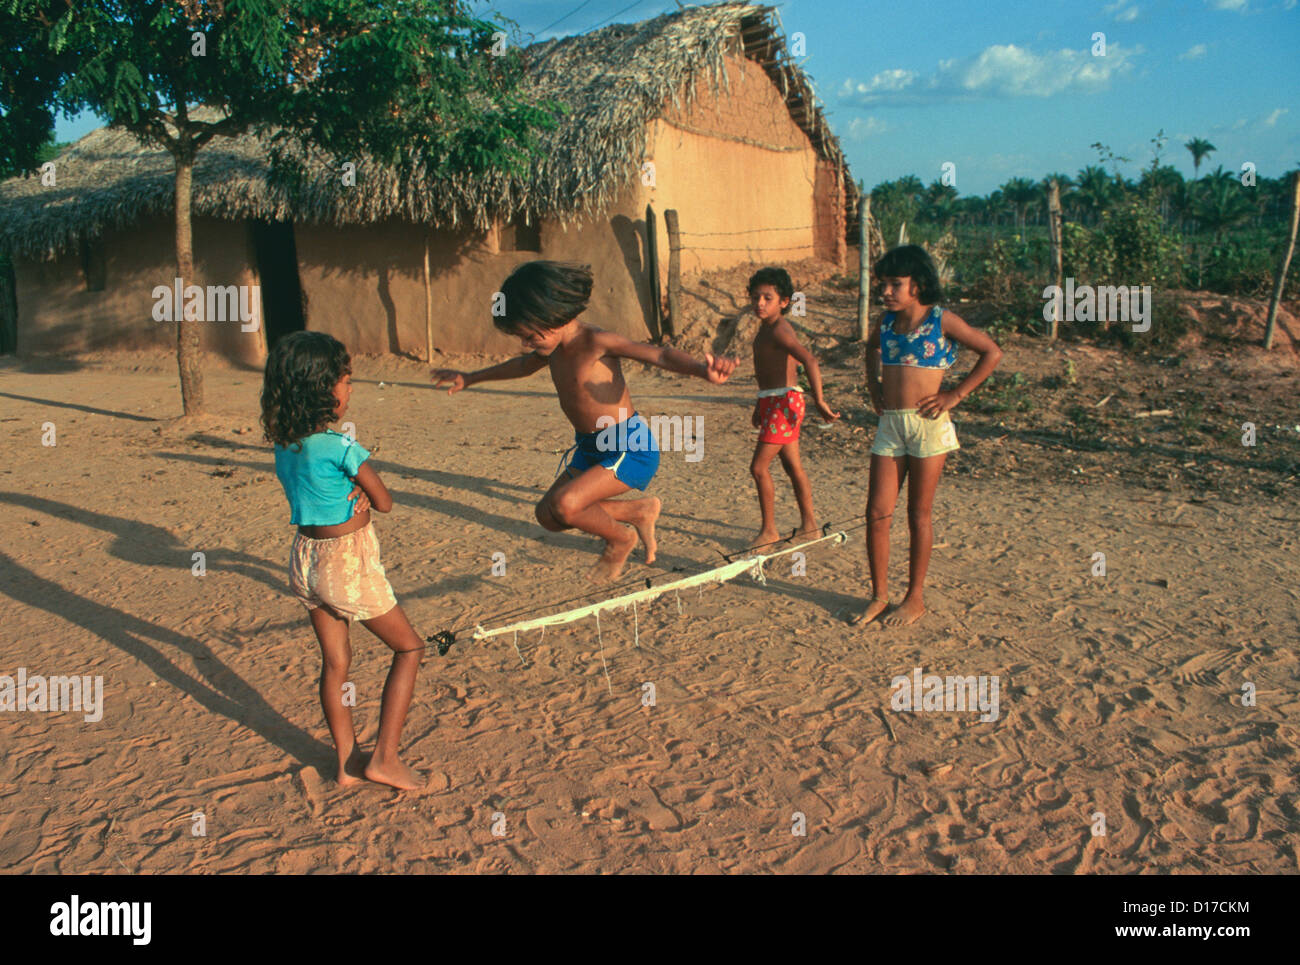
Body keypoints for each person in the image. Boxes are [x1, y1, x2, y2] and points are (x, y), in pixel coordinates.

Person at [433, 260, 737, 583]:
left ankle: (621, 539)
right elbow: (521, 366)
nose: (526, 344)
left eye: (529, 336)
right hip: (590, 447)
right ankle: (638, 511)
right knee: (548, 515)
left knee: (566, 504)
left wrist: (701, 370)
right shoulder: (550, 350)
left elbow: (659, 354)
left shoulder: (596, 342)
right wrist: (470, 377)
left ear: (551, 315)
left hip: (629, 446)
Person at [261, 331, 425, 791]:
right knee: (409, 648)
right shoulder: (339, 447)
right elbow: (385, 501)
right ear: (323, 389)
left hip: (304, 560)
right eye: (347, 382)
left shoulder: (284, 445)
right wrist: (365, 502)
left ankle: (347, 763)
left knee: (335, 664)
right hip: (344, 565)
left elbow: (318, 499)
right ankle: (385, 760)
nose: (349, 391)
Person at [855, 245, 1002, 628]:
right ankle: (878, 595)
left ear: (917, 286)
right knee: (876, 513)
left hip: (928, 426)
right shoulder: (885, 323)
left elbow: (991, 352)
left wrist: (955, 394)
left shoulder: (942, 320)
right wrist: (873, 388)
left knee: (918, 513)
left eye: (894, 284)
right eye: (882, 284)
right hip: (891, 425)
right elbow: (870, 350)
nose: (885, 291)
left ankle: (914, 597)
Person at [746, 266, 838, 551]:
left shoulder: (780, 330)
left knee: (759, 467)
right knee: (791, 465)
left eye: (768, 298)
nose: (760, 303)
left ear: (784, 302)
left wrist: (819, 400)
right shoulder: (765, 331)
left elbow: (809, 360)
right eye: (756, 297)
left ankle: (769, 531)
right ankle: (809, 525)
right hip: (774, 401)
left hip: (786, 404)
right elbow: (768, 373)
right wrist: (760, 404)